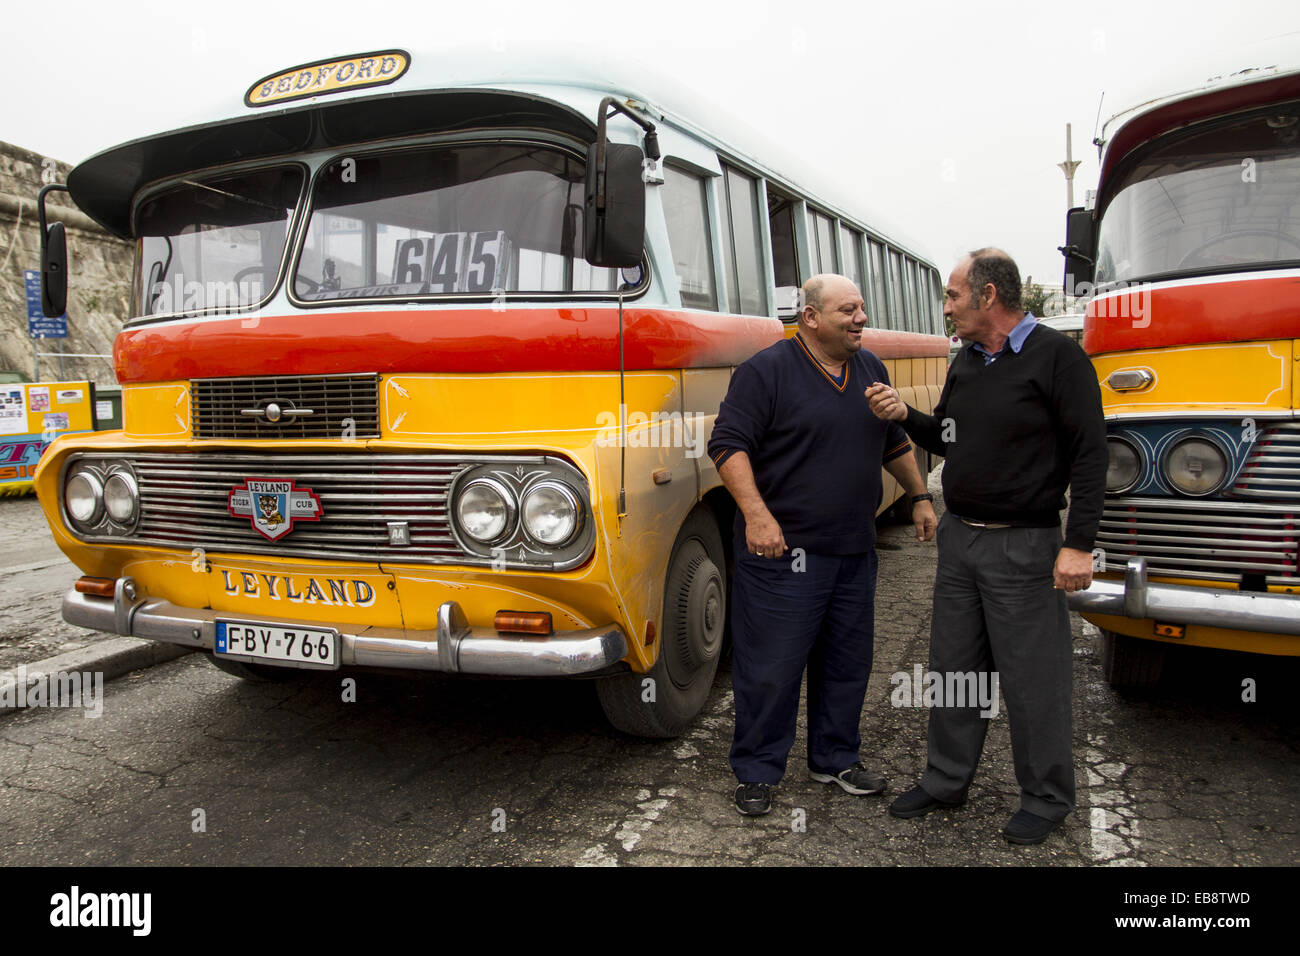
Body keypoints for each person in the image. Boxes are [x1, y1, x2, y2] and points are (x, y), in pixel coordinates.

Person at [865, 247, 1105, 845]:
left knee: (1032, 680)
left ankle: (1046, 797)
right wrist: (904, 415)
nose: (946, 308)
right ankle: (946, 780)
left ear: (988, 296)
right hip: (961, 541)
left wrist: (1079, 544)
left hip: (1025, 548)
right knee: (955, 671)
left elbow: (1091, 455)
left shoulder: (1058, 357)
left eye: (952, 296)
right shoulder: (968, 360)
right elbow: (949, 436)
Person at [709, 273, 937, 817]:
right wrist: (756, 515)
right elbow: (728, 445)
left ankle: (835, 757)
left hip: (854, 549)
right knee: (771, 667)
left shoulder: (870, 368)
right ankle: (759, 771)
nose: (861, 319)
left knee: (847, 662)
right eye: (847, 311)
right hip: (781, 553)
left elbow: (894, 440)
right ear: (810, 318)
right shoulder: (766, 371)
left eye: (862, 308)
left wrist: (922, 495)